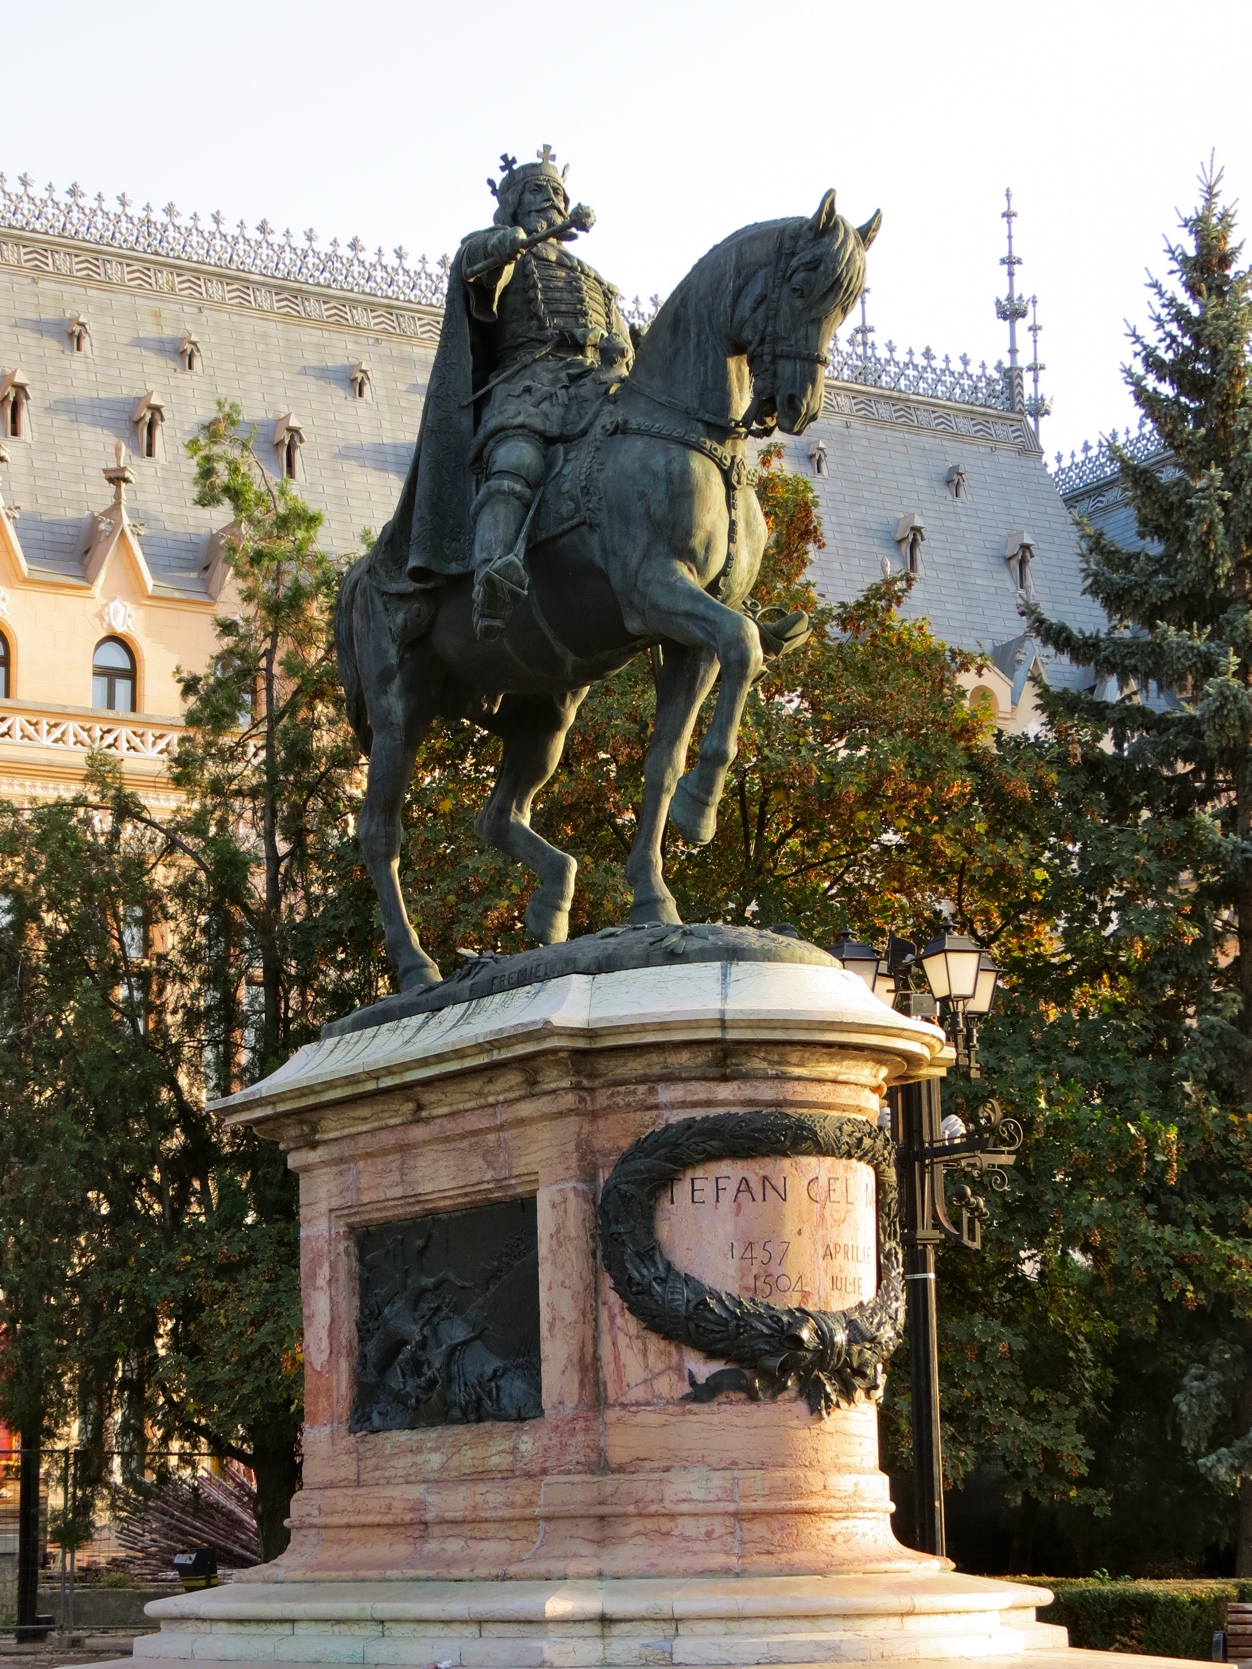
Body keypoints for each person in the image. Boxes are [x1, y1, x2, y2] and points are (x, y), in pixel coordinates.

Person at [375, 147, 633, 640]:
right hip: (527, 382)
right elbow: (472, 269)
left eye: (557, 193)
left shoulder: (595, 279)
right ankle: (492, 577)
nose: (550, 201)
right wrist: (503, 247)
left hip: (595, 384)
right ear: (512, 203)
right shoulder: (500, 246)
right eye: (537, 191)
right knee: (516, 459)